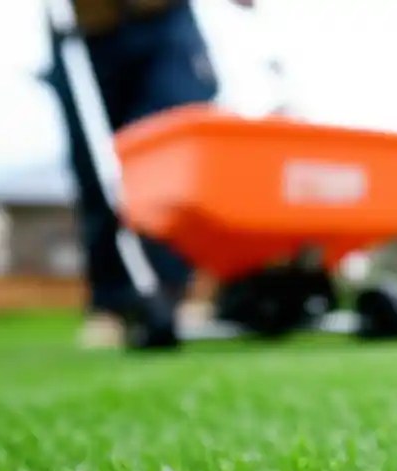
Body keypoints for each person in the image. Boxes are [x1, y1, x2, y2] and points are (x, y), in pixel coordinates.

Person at [44, 0, 252, 347]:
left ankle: (175, 292)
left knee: (176, 158)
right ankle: (112, 305)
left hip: (164, 19)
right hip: (87, 26)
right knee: (99, 167)